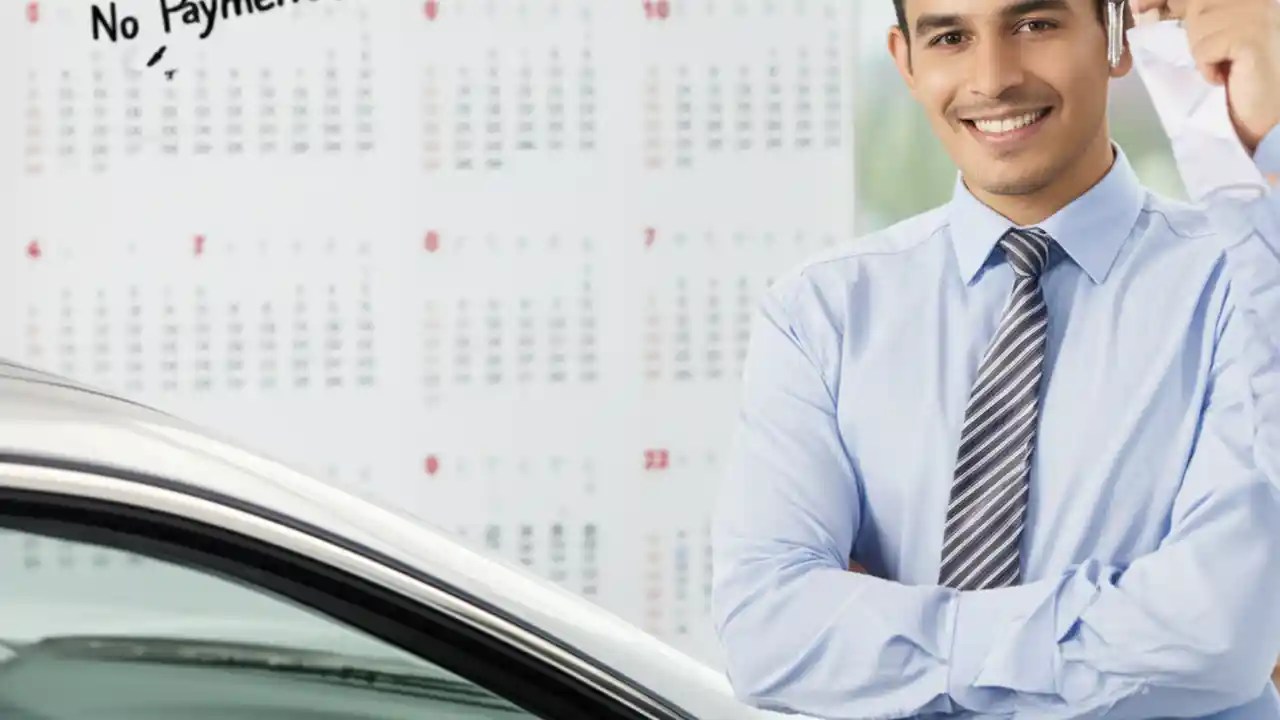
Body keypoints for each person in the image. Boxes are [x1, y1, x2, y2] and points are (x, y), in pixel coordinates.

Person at [710, 0, 1280, 716]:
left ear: (1116, 37)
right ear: (906, 63)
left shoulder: (1244, 281)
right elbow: (768, 641)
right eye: (950, 37)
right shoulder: (821, 312)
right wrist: (1119, 633)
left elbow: (1221, 635)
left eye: (1035, 24)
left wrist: (886, 631)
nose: (994, 78)